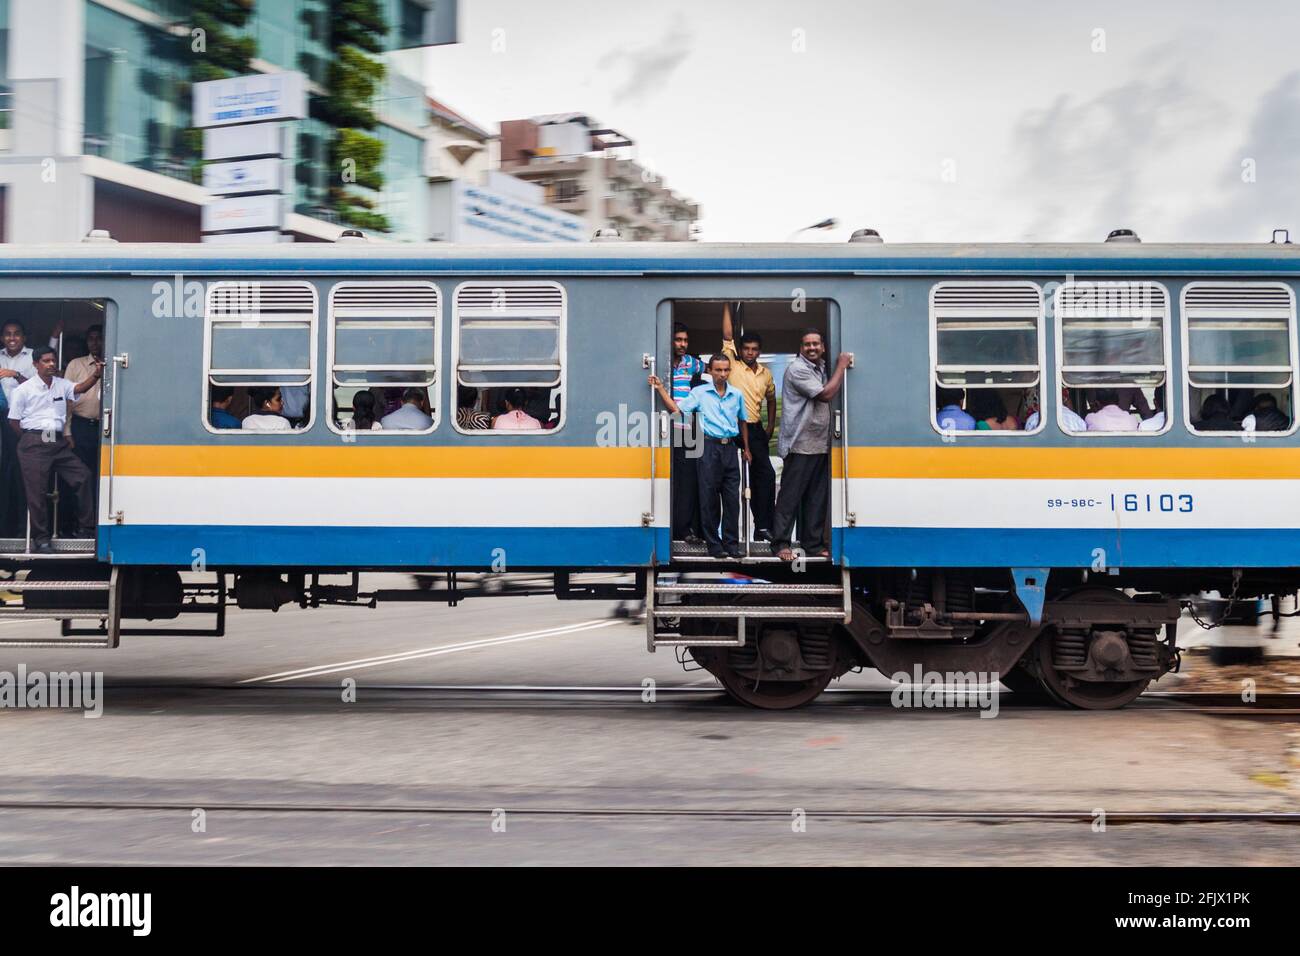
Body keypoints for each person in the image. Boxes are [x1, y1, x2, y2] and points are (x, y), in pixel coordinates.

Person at [650, 353, 750, 558]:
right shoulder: (700, 392)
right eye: (718, 370)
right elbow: (678, 410)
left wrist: (746, 449)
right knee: (709, 498)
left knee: (732, 499)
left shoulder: (737, 394)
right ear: (710, 371)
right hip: (708, 447)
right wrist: (660, 389)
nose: (722, 374)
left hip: (730, 448)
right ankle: (714, 545)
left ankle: (732, 544)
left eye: (726, 370)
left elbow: (743, 421)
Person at [7, 346, 101, 552]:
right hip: (33, 442)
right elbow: (13, 421)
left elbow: (80, 388)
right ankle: (41, 539)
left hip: (57, 444)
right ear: (35, 365)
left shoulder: (61, 384)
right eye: (46, 361)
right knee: (37, 493)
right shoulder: (23, 390)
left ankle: (87, 528)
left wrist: (96, 375)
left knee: (83, 476)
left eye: (53, 360)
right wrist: (30, 439)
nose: (51, 364)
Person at [773, 330, 850, 562]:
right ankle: (780, 544)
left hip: (820, 444)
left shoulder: (820, 368)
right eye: (807, 344)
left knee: (816, 498)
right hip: (799, 444)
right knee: (790, 497)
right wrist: (842, 366)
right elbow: (825, 394)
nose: (812, 347)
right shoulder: (798, 369)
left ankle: (812, 544)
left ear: (823, 347)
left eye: (816, 344)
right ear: (801, 347)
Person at [720, 303, 777, 540]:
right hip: (729, 428)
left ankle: (762, 527)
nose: (750, 352)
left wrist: (770, 425)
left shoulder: (766, 373)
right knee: (729, 482)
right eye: (746, 348)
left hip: (754, 430)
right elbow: (727, 335)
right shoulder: (732, 364)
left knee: (765, 477)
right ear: (741, 350)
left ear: (759, 351)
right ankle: (726, 535)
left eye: (754, 349)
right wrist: (725, 302)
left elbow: (772, 399)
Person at [668, 322, 706, 543]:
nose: (682, 344)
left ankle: (686, 530)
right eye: (678, 340)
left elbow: (718, 369)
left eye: (685, 340)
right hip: (666, 428)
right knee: (669, 479)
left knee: (689, 480)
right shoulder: (661, 359)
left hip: (690, 426)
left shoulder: (691, 363)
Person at [62, 324, 104, 483]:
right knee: (82, 473)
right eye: (91, 339)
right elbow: (67, 400)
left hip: (107, 427)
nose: (95, 343)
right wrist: (67, 431)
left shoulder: (115, 364)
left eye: (99, 338)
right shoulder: (75, 364)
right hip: (81, 426)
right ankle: (83, 509)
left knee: (103, 472)